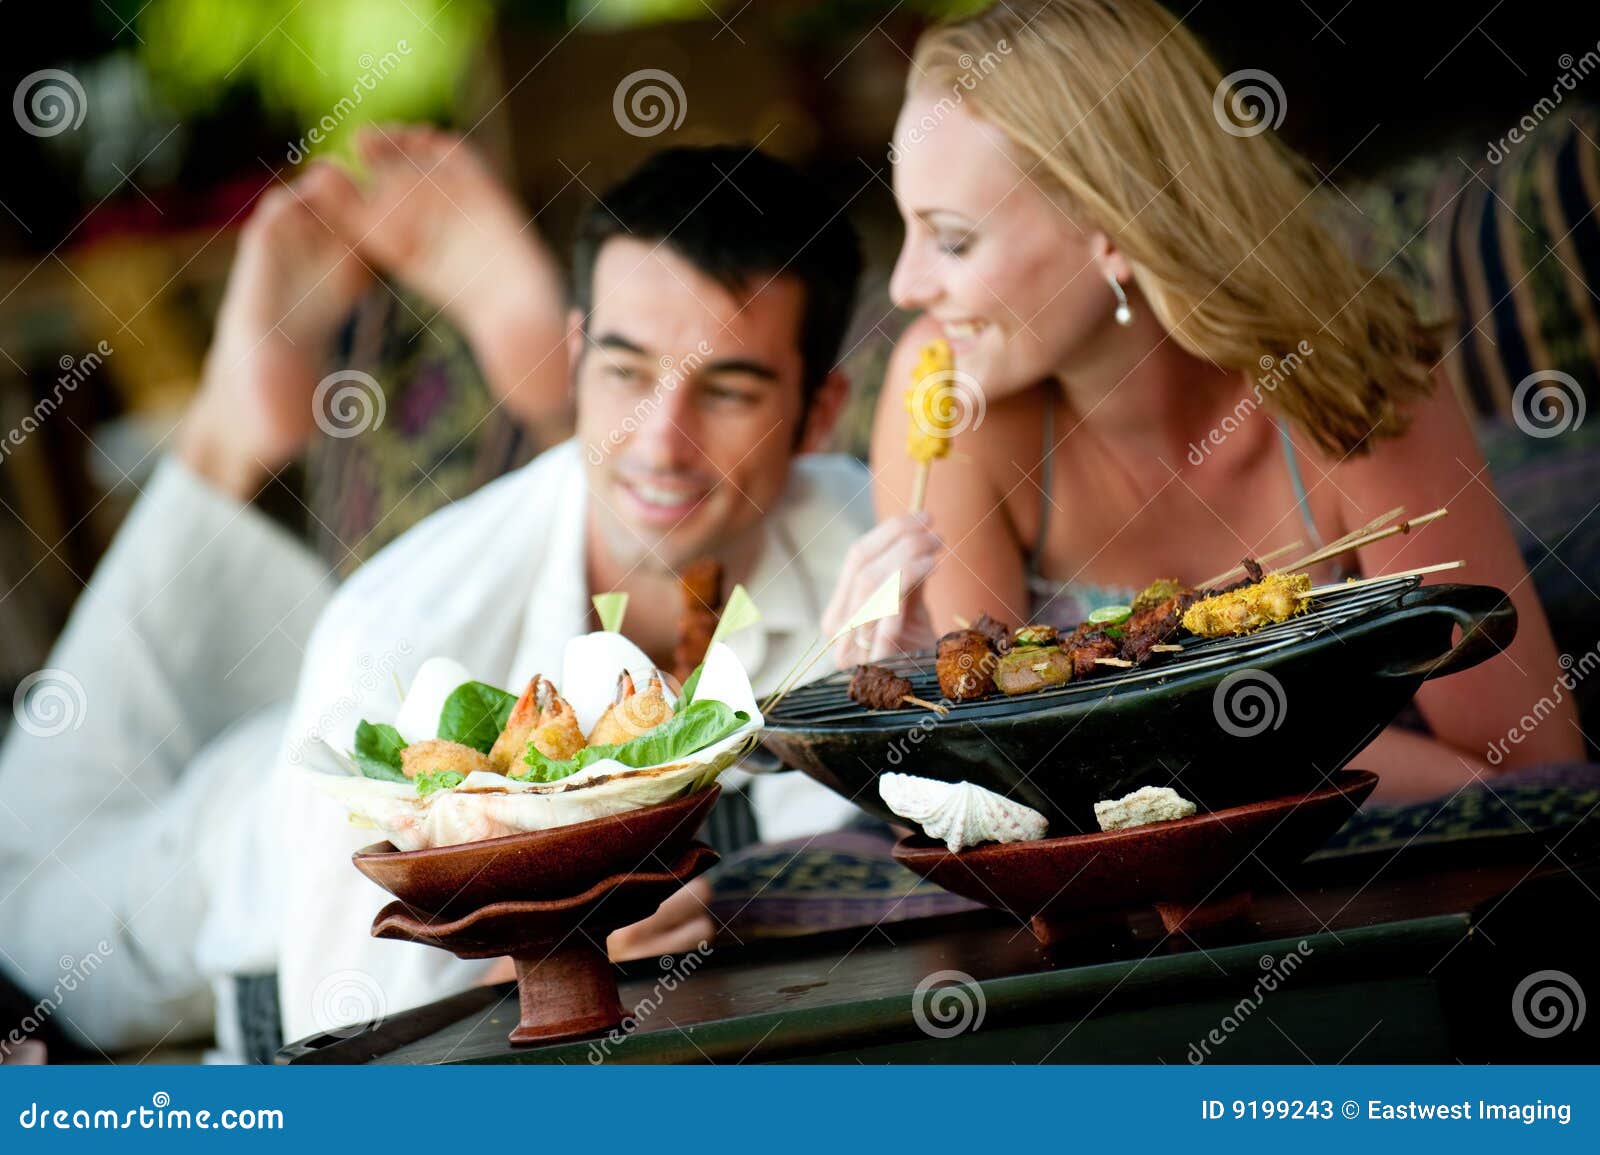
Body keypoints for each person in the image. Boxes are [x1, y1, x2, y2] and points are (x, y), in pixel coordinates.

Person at [0, 138, 871, 1058]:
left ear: (819, 411)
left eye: (727, 390)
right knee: (28, 885)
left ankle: (545, 399)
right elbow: (353, 1048)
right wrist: (548, 962)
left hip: (348, 693)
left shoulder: (867, 547)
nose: (663, 440)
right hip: (215, 863)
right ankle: (224, 433)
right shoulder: (403, 624)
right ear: (583, 355)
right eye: (624, 369)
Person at [823, 0, 1583, 803]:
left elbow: (1534, 780)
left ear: (1111, 229)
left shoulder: (1353, 381)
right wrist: (915, 692)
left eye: (952, 239)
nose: (906, 287)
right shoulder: (953, 397)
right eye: (904, 229)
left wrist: (1145, 736)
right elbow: (1016, 782)